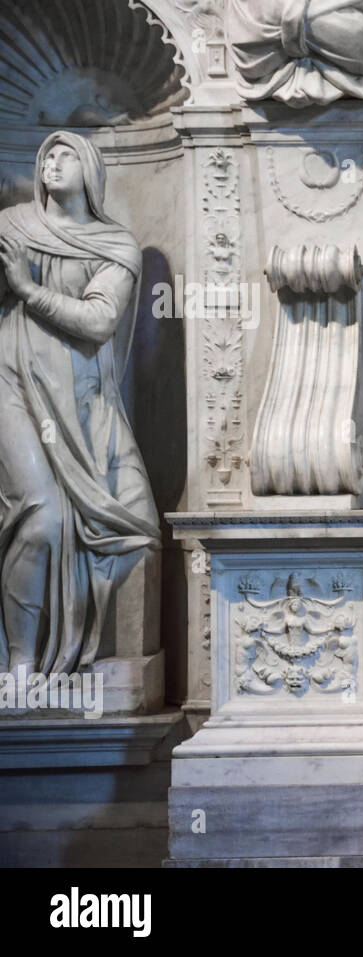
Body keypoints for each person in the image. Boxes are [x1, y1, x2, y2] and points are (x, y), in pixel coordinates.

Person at [0, 131, 159, 679]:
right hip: (11, 384)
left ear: (90, 170)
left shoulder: (115, 245)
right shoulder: (11, 226)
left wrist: (26, 286)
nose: (53, 161)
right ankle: (21, 661)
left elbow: (98, 322)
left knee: (136, 530)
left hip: (82, 403)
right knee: (43, 516)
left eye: (67, 153)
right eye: (47, 153)